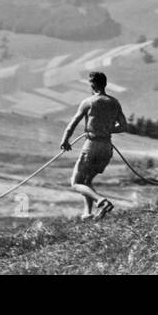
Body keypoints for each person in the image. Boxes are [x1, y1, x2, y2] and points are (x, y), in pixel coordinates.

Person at [60, 72, 128, 220]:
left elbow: (73, 123)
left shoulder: (89, 102)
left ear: (92, 85)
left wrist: (65, 140)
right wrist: (107, 130)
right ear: (105, 84)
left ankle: (101, 201)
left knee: (76, 183)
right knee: (87, 181)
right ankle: (87, 213)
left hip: (92, 145)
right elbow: (123, 126)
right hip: (106, 147)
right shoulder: (114, 102)